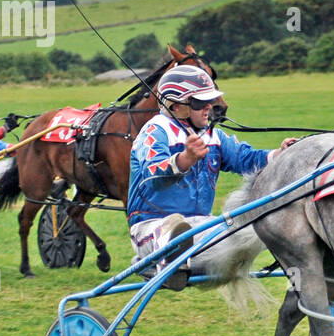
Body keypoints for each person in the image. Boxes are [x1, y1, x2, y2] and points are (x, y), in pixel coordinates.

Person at [127, 66, 296, 289]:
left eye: (209, 101)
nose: (209, 107)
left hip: (200, 227)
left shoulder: (212, 135)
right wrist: (185, 158)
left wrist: (279, 155)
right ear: (176, 106)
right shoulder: (154, 131)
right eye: (199, 102)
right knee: (174, 226)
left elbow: (244, 159)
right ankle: (163, 257)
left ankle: (179, 254)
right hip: (150, 227)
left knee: (252, 231)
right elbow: (154, 176)